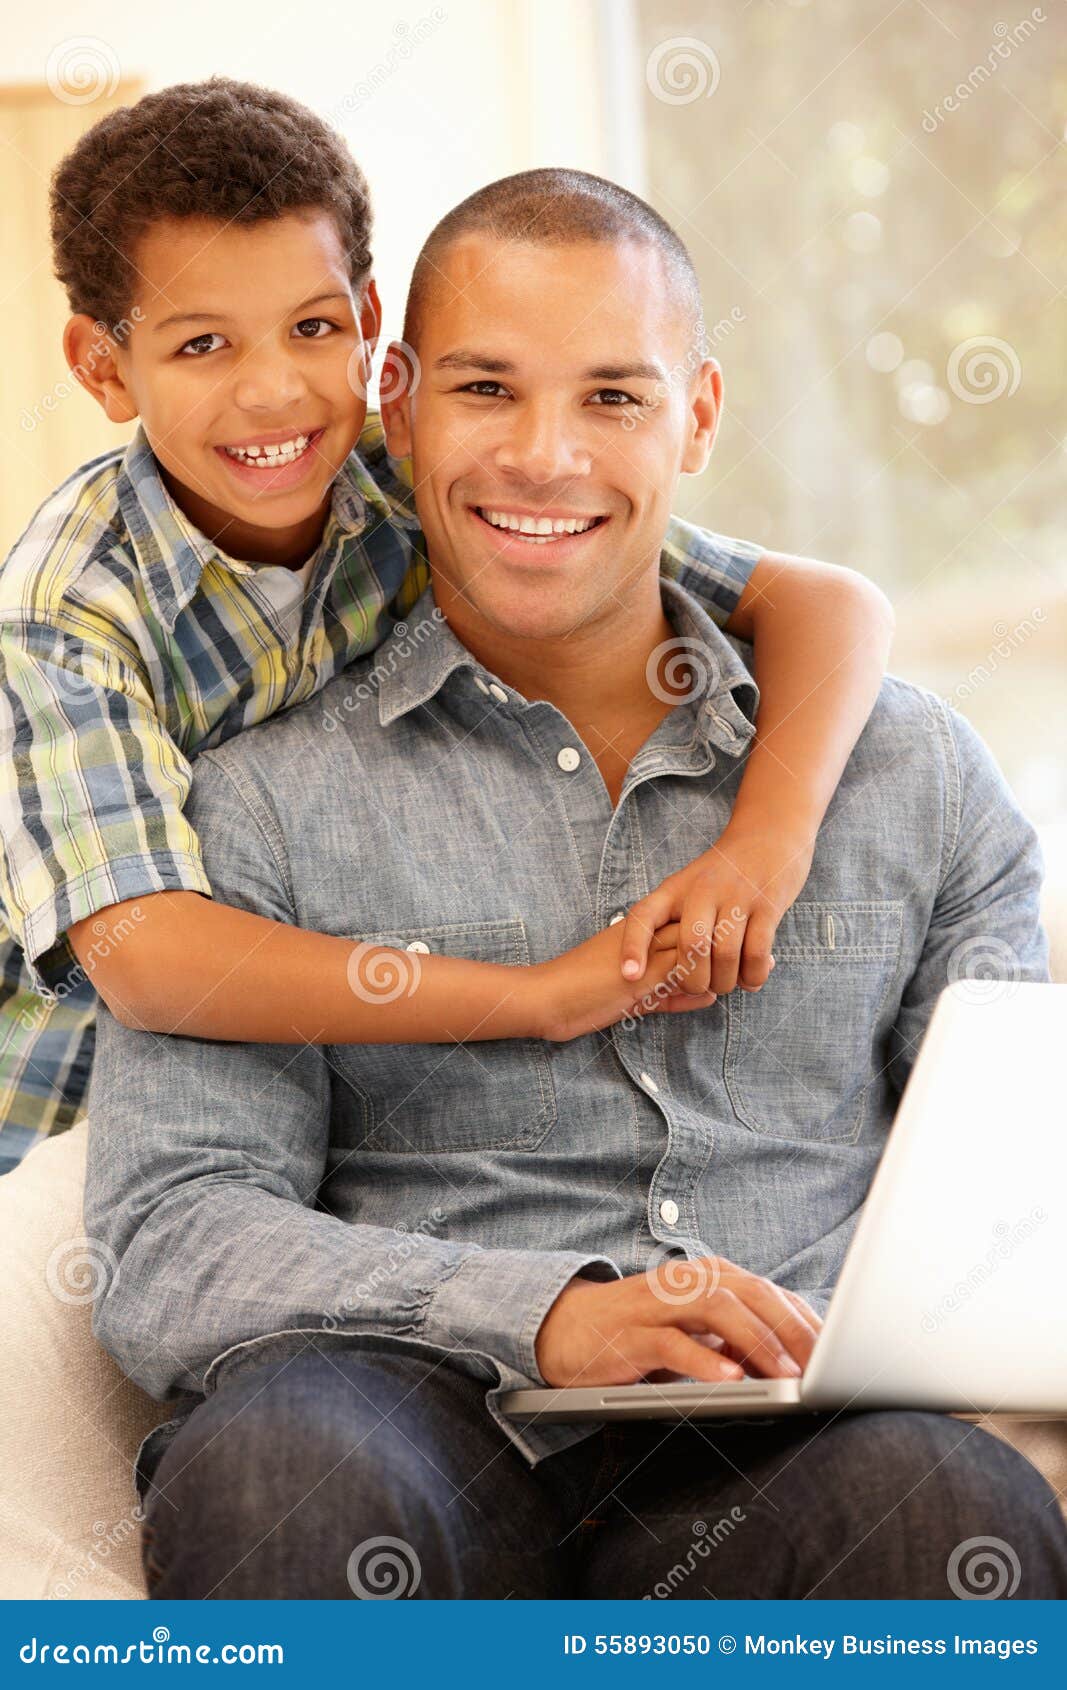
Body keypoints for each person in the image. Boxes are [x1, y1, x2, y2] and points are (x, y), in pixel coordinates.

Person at [87, 169, 1066, 1601]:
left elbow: (1009, 1199)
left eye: (612, 396)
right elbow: (171, 1240)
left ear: (697, 413)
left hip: (792, 1451)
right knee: (277, 1469)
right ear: (400, 401)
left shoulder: (902, 772)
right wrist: (543, 1314)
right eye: (486, 388)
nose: (544, 457)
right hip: (413, 1421)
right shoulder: (264, 801)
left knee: (935, 1502)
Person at [0, 82, 895, 1178]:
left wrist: (762, 844)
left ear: (371, 329)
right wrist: (534, 997)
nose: (274, 390)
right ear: (101, 366)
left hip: (280, 1088)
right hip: (49, 1121)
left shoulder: (424, 467)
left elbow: (828, 604)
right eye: (201, 347)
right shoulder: (65, 611)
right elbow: (146, 957)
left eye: (312, 328)